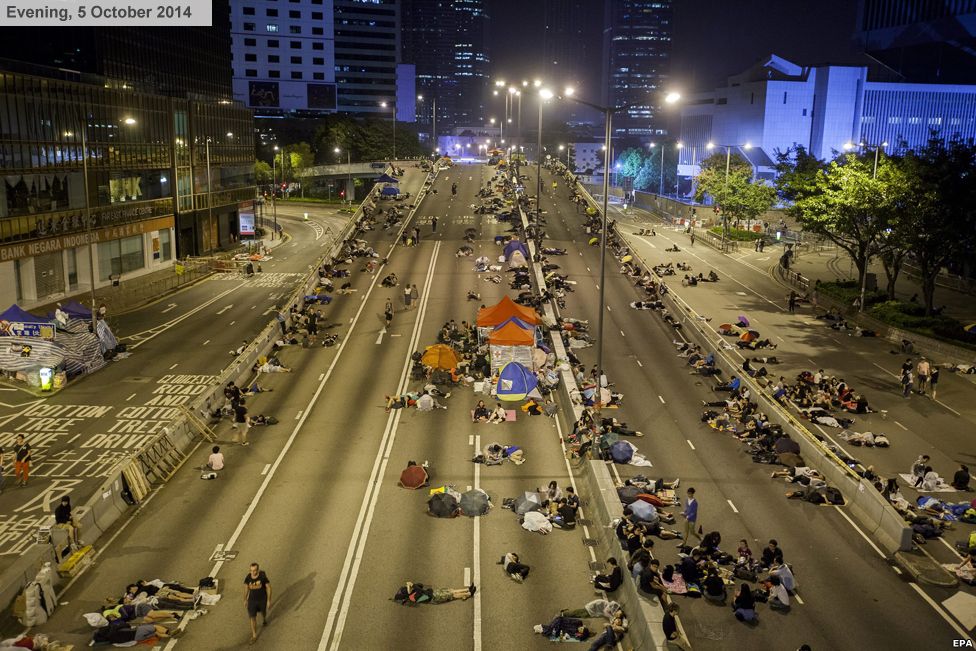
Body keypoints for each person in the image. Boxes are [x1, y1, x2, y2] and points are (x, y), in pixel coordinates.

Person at [243, 563, 271, 644]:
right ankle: (254, 635)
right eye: (251, 570)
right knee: (252, 617)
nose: (252, 572)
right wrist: (245, 599)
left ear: (257, 570)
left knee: (263, 612)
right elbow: (246, 588)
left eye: (254, 570)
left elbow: (269, 587)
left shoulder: (262, 577)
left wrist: (269, 600)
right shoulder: (248, 577)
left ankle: (264, 618)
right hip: (252, 601)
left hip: (262, 600)